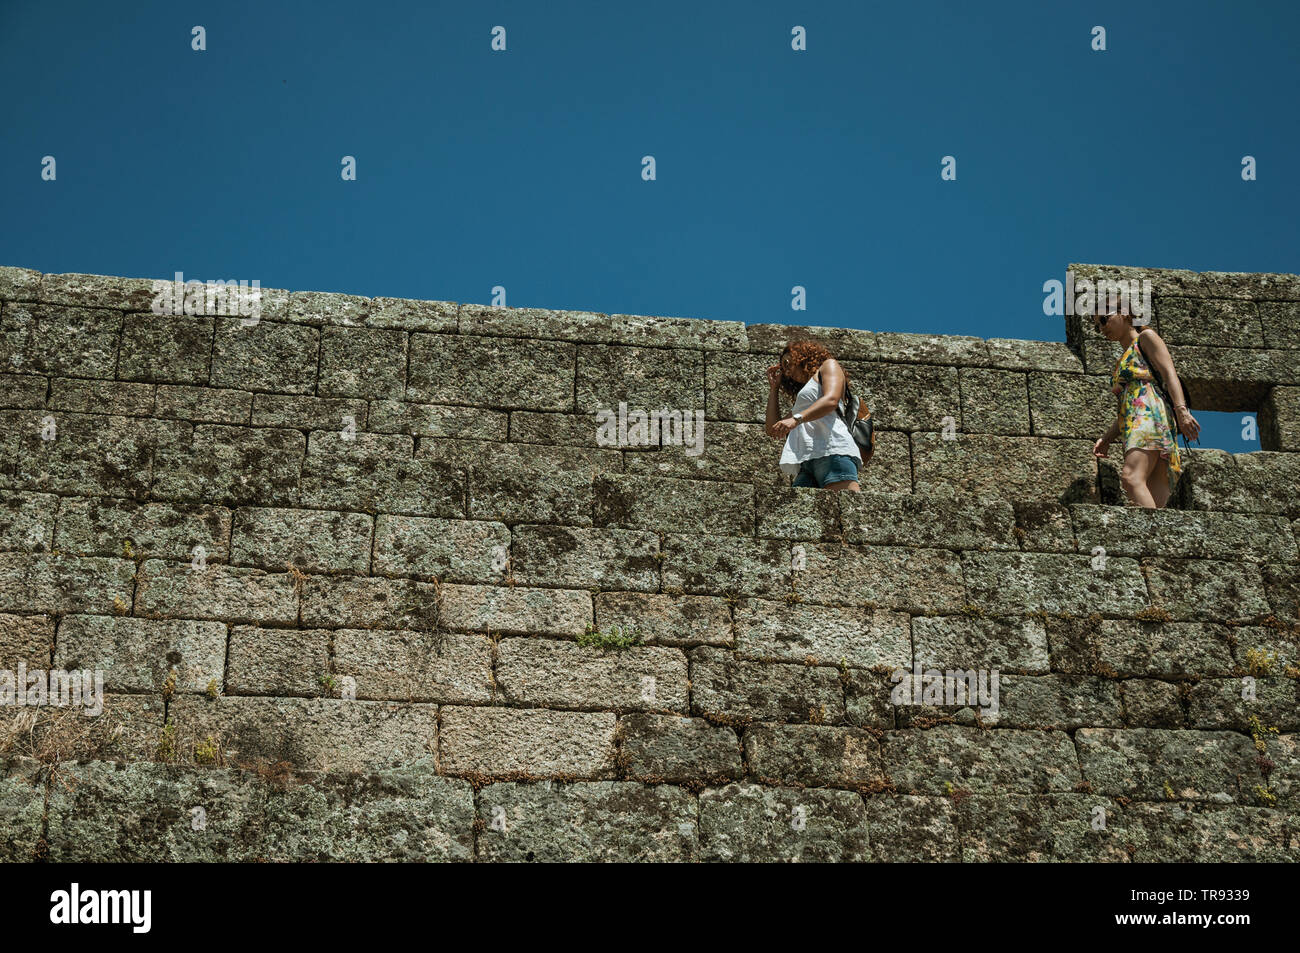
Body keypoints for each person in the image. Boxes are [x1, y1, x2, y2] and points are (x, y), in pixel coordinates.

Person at [1091, 299, 1201, 508]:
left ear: (1124, 313)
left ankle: (1154, 536)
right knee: (1156, 493)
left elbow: (1170, 375)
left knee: (1131, 477)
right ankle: (1165, 537)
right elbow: (1129, 406)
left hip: (1150, 417)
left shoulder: (1146, 338)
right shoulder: (1123, 357)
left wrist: (1182, 412)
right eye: (1097, 326)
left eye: (1104, 320)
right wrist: (1106, 439)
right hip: (1138, 420)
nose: (1101, 328)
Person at [765, 340, 861, 492]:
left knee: (849, 511)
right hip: (808, 461)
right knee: (797, 512)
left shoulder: (829, 366)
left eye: (787, 362)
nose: (785, 369)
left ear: (802, 356)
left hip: (833, 451)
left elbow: (831, 400)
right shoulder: (804, 400)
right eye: (783, 367)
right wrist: (774, 389)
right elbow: (772, 429)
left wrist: (796, 419)